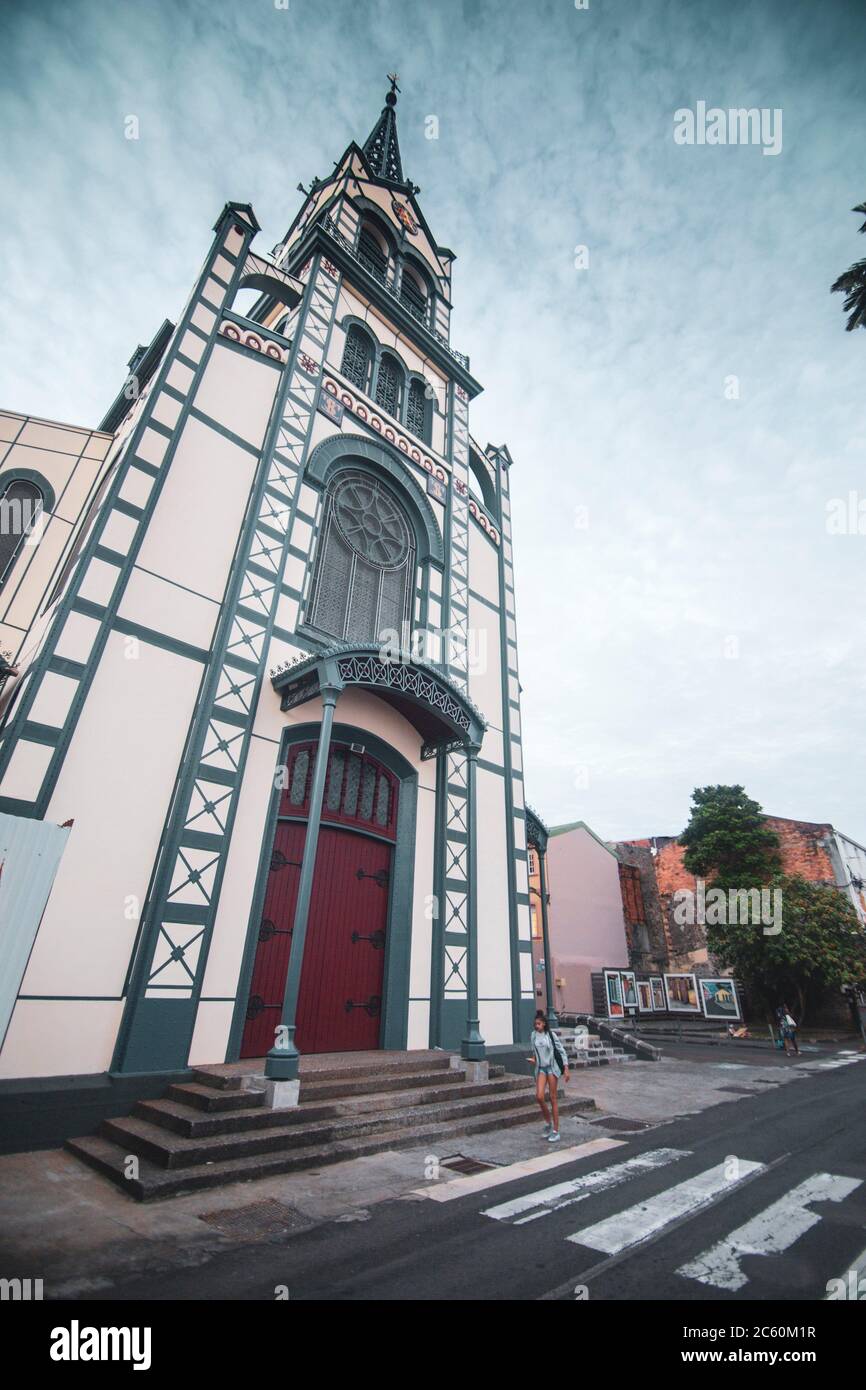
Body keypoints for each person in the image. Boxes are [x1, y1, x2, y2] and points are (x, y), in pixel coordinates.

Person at [528, 1011, 570, 1142]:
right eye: (535, 1024)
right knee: (539, 1096)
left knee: (553, 1098)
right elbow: (534, 1051)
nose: (537, 1026)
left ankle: (556, 1130)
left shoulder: (550, 1035)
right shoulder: (533, 1036)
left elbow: (561, 1051)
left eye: (539, 1024)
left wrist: (566, 1068)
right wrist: (534, 1059)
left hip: (552, 1068)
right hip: (540, 1068)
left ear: (544, 1024)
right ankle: (548, 1122)